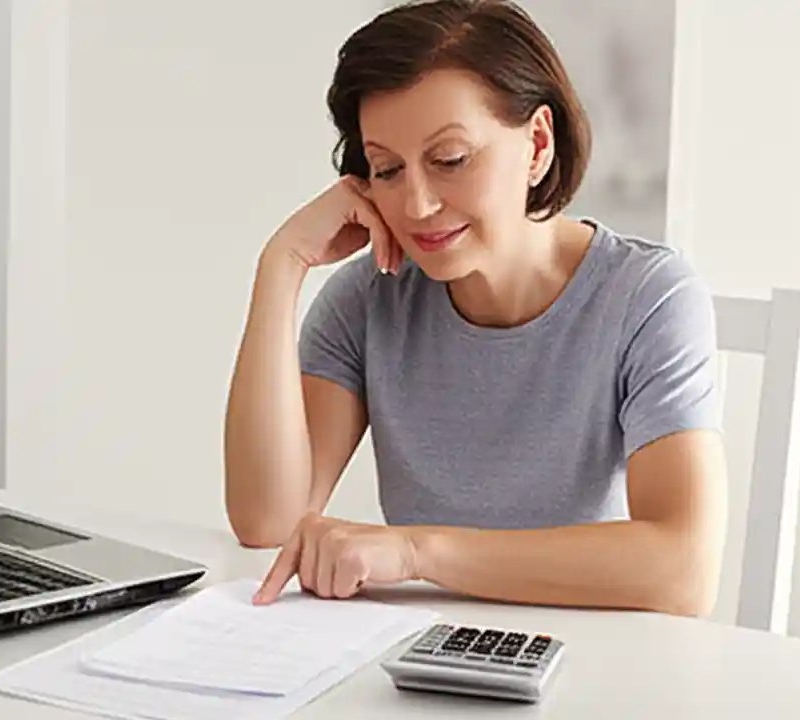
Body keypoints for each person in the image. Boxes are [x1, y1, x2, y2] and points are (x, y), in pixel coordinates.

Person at [223, 0, 727, 616]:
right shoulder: (367, 299)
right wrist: (283, 266)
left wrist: (416, 553)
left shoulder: (650, 298)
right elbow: (267, 521)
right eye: (386, 169)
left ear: (538, 144)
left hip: (590, 656)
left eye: (450, 160)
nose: (417, 205)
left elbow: (683, 572)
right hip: (412, 659)